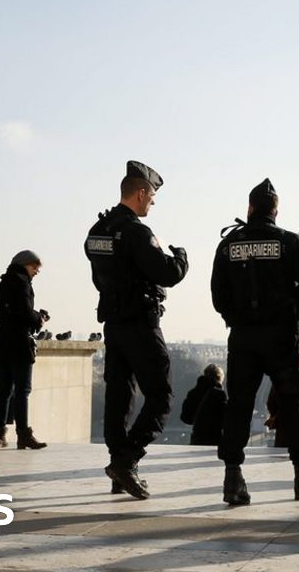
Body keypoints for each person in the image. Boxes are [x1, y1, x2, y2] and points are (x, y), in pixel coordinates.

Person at [212, 178, 299, 505]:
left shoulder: (229, 245)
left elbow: (218, 295)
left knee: (238, 405)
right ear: (275, 211)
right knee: (293, 402)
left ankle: (232, 477)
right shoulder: (288, 243)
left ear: (249, 209)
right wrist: (287, 300)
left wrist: (237, 317)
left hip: (244, 337)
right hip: (282, 335)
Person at [84, 160, 189, 500]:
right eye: (153, 195)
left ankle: (118, 467)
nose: (153, 202)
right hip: (141, 323)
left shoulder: (97, 230)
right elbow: (167, 273)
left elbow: (99, 276)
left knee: (118, 396)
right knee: (160, 396)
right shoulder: (138, 233)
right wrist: (181, 258)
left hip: (113, 323)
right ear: (141, 192)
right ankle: (128, 460)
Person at [0, 250, 49, 450]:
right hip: (19, 343)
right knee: (22, 391)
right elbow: (24, 312)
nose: (36, 272)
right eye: (34, 267)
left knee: (3, 391)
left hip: (2, 342)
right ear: (25, 265)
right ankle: (23, 434)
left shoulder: (3, 282)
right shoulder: (22, 283)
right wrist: (39, 318)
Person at [182, 364, 226, 445]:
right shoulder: (219, 394)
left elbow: (185, 417)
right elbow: (225, 420)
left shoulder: (193, 393)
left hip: (197, 437)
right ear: (219, 378)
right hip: (215, 438)